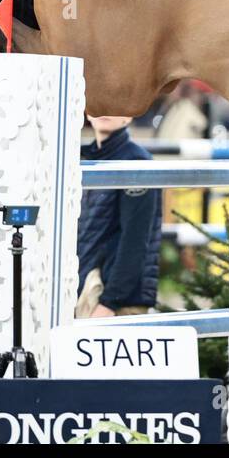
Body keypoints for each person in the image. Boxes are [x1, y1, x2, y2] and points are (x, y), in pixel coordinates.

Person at [75, 115, 162, 318]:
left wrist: (110, 303)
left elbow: (136, 239)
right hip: (88, 293)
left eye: (117, 104)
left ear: (129, 114)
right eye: (101, 102)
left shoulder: (137, 163)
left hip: (116, 305)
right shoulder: (86, 160)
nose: (106, 109)